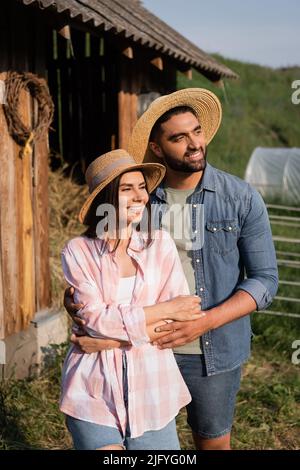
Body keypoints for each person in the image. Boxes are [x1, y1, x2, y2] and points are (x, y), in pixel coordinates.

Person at [65, 88, 278, 450]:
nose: (194, 143)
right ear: (157, 148)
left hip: (211, 351)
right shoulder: (140, 199)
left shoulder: (239, 197)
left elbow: (265, 280)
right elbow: (99, 268)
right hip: (139, 352)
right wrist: (78, 305)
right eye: (179, 137)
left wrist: (204, 321)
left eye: (197, 132)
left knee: (211, 445)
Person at [60, 148, 203, 451]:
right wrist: (163, 309)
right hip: (93, 389)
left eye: (142, 188)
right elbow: (95, 320)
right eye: (127, 189)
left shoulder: (160, 244)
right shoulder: (78, 251)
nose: (140, 197)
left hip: (154, 392)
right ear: (106, 198)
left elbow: (182, 316)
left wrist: (108, 342)